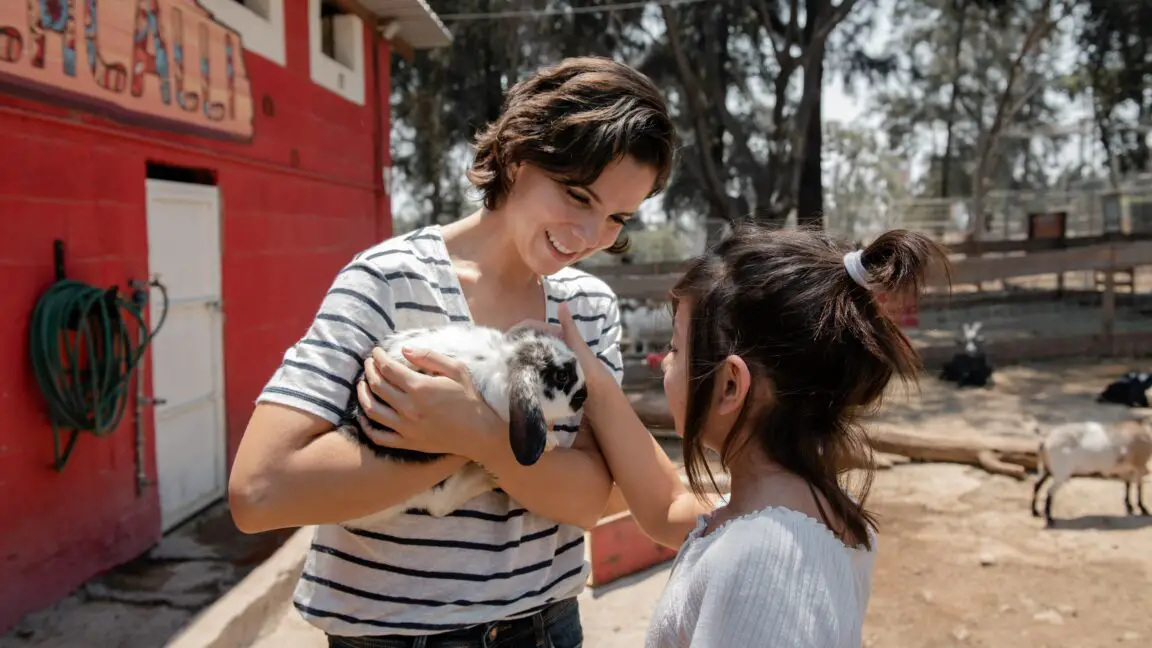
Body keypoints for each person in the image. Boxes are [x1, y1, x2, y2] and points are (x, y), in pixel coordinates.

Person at [227, 56, 677, 647]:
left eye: (617, 218)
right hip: (391, 636)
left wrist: (477, 434)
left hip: (542, 629)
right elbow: (259, 493)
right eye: (577, 195)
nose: (592, 236)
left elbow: (589, 499)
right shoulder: (388, 281)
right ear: (518, 156)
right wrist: (500, 445)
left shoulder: (587, 307)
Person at [552, 224, 950, 647]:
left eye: (675, 348)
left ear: (729, 385)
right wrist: (592, 384)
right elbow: (664, 507)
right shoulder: (798, 509)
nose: (664, 366)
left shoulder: (764, 563)